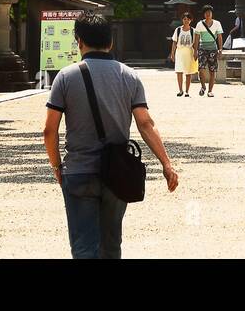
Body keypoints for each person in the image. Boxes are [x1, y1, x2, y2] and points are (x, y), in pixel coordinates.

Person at [43, 15, 178, 259]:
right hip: (117, 172)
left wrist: (56, 165)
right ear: (111, 42)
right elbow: (145, 123)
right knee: (111, 245)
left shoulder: (65, 77)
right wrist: (166, 164)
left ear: (79, 41)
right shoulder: (129, 76)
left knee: (84, 247)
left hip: (79, 170)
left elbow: (49, 130)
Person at [195, 5, 223, 97]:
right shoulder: (199, 24)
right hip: (202, 48)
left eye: (209, 13)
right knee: (201, 69)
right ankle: (203, 86)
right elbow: (197, 38)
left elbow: (219, 37)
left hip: (213, 48)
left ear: (212, 14)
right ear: (204, 14)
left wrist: (220, 49)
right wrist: (195, 50)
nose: (208, 14)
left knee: (212, 70)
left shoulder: (217, 23)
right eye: (206, 13)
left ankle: (210, 90)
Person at [170, 13, 196, 97]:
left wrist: (196, 52)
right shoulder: (178, 30)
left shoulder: (193, 31)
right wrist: (172, 53)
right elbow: (174, 42)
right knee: (179, 71)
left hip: (189, 52)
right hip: (179, 52)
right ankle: (180, 90)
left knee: (188, 72)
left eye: (188, 19)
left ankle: (187, 91)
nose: (186, 21)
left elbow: (195, 43)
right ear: (182, 20)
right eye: (184, 19)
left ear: (190, 20)